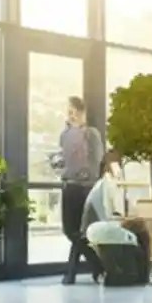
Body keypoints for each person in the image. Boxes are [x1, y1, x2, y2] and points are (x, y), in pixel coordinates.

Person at [56, 96, 104, 285]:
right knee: (72, 232)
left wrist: (85, 176)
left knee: (78, 232)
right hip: (69, 185)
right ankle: (93, 269)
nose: (72, 115)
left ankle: (89, 269)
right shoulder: (65, 135)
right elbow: (64, 159)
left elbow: (95, 162)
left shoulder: (91, 134)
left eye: (76, 112)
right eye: (69, 112)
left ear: (83, 113)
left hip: (85, 187)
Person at [83, 151, 151, 285]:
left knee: (138, 224)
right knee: (141, 227)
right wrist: (123, 220)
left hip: (100, 223)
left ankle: (142, 271)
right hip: (102, 224)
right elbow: (108, 213)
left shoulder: (104, 183)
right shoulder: (107, 184)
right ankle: (144, 272)